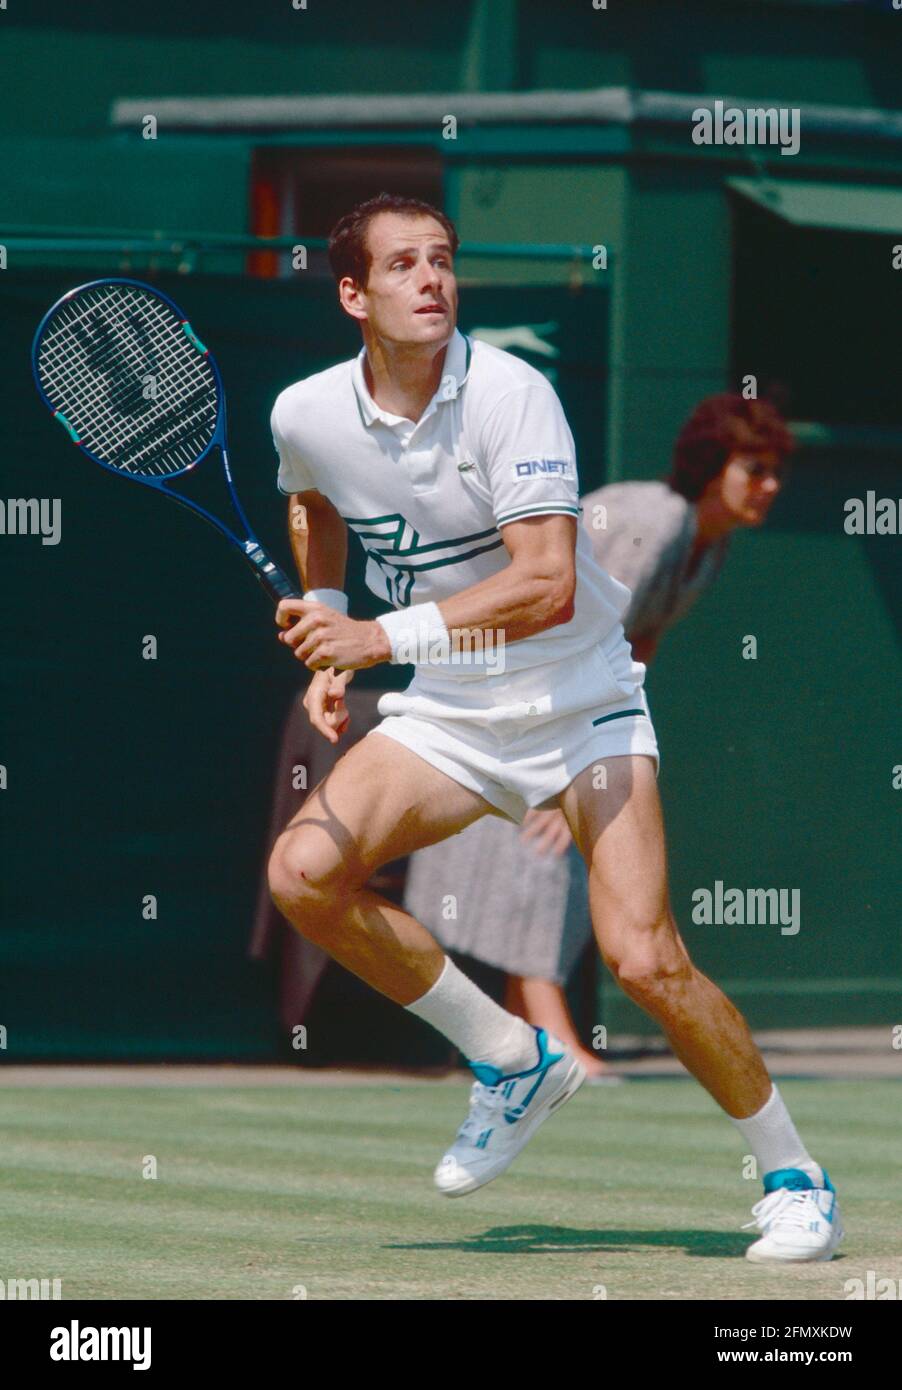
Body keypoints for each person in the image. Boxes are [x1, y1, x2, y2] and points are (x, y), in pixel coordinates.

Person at [266, 192, 841, 1262]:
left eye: (441, 259)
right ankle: (510, 1057)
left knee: (640, 957)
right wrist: (333, 617)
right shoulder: (304, 413)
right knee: (302, 873)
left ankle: (793, 1173)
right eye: (401, 266)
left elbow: (545, 587)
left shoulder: (512, 393)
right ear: (354, 294)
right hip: (451, 712)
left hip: (581, 707)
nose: (431, 279)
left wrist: (376, 637)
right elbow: (316, 499)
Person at [403, 396, 793, 1078]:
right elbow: (562, 623)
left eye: (774, 472)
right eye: (754, 469)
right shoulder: (659, 521)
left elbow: (638, 644)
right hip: (507, 671)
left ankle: (533, 1033)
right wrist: (555, 768)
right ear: (712, 469)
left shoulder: (711, 544)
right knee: (551, 834)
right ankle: (549, 1035)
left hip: (560, 688)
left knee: (595, 827)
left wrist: (611, 741)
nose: (770, 486)